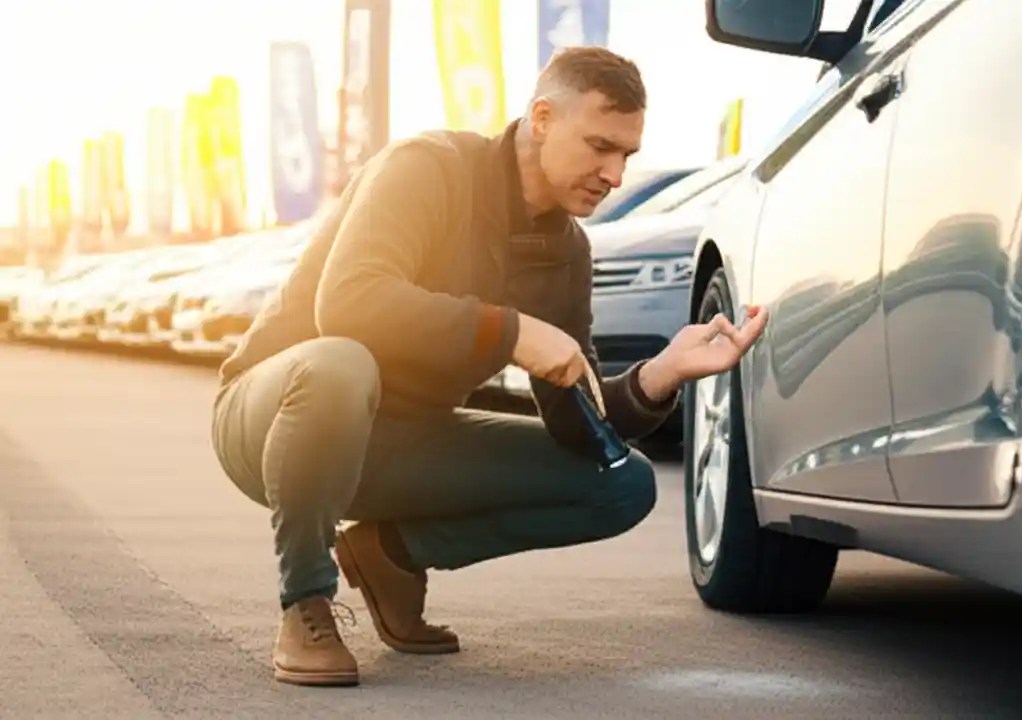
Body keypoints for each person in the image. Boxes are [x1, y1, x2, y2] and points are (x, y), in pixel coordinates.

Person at [210, 46, 768, 687]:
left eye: (626, 156)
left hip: (403, 439)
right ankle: (305, 600)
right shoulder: (427, 168)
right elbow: (347, 302)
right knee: (342, 363)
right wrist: (511, 332)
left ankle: (389, 555)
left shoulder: (566, 252)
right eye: (598, 147)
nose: (613, 174)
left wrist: (661, 373)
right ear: (540, 119)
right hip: (274, 416)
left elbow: (575, 420)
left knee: (624, 483)